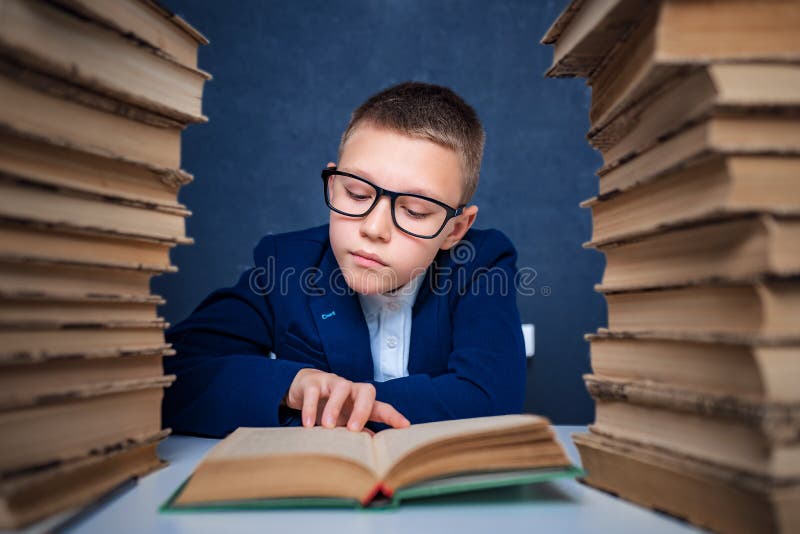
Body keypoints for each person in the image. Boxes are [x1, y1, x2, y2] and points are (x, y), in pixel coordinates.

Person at [163, 81, 526, 437]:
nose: (374, 228)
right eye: (356, 193)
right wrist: (290, 386)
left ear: (455, 230)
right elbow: (167, 375)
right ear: (335, 183)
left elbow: (491, 400)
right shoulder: (286, 265)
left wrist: (332, 407)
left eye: (415, 211)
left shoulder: (481, 263)